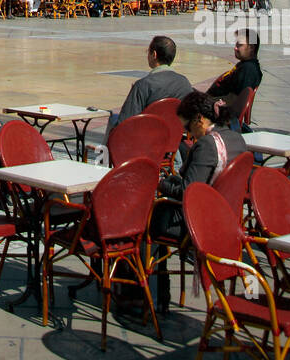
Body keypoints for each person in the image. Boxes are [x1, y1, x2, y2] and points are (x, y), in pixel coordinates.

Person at [151, 91, 248, 312]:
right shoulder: (237, 138)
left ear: (199, 120)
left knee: (147, 221)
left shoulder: (206, 145)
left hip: (201, 224)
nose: (187, 134)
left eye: (187, 127)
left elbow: (189, 191)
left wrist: (161, 184)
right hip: (230, 218)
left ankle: (153, 293)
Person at [106, 36, 192, 136]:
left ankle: (105, 151)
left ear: (154, 54)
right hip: (173, 141)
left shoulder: (143, 85)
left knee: (114, 119)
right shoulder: (184, 83)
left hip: (146, 140)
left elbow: (126, 122)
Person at [207, 29, 262, 122]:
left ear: (251, 48)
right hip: (212, 100)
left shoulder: (248, 70)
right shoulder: (245, 65)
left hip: (216, 108)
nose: (235, 48)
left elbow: (238, 100)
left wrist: (214, 104)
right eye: (236, 44)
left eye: (239, 45)